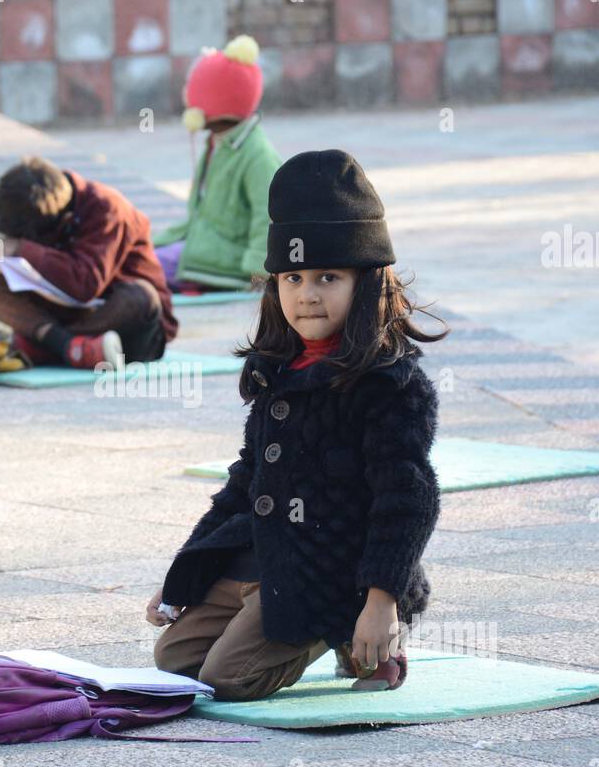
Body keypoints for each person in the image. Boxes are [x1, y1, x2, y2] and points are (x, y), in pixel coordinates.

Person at [147, 149, 450, 702]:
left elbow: (408, 501)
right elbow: (245, 482)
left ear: (366, 282)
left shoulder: (390, 386)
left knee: (227, 680)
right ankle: (290, 621)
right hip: (261, 554)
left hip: (333, 569)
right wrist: (181, 579)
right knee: (174, 662)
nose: (307, 293)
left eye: (328, 276)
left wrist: (381, 602)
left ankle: (357, 633)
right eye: (292, 277)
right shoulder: (275, 373)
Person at [0, 156, 179, 369]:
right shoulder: (40, 214)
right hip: (66, 318)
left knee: (141, 296)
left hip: (122, 327)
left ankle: (54, 345)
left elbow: (85, 285)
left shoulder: (108, 209)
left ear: (64, 219)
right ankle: (68, 346)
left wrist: (23, 249)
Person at [151, 34, 282, 294]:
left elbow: (267, 218)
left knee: (138, 267)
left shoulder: (257, 155)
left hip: (227, 259)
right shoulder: (218, 143)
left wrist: (257, 273)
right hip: (203, 243)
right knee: (136, 251)